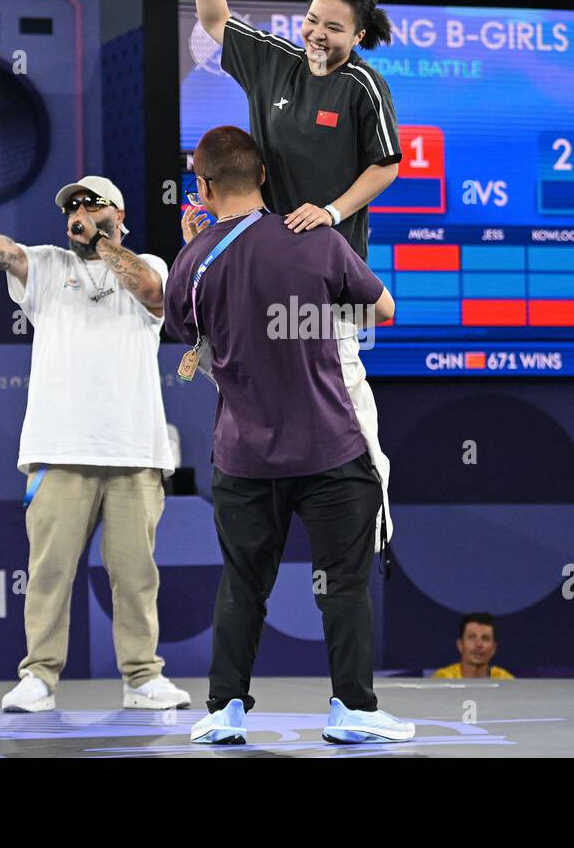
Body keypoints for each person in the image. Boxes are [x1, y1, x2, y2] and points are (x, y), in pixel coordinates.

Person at [166, 126, 410, 744]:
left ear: (203, 186)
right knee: (344, 583)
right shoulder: (317, 240)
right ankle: (352, 710)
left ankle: (224, 711)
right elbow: (383, 310)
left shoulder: (193, 262)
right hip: (331, 446)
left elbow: (184, 329)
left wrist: (200, 253)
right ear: (265, 177)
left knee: (243, 581)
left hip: (244, 457)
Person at [0, 175, 189, 713]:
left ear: (118, 214)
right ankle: (40, 678)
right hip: (59, 448)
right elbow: (9, 255)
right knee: (49, 571)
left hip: (133, 451)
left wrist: (104, 242)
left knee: (135, 573)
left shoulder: (151, 265)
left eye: (90, 204)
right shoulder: (52, 266)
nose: (77, 211)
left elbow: (152, 295)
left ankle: (143, 677)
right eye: (71, 206)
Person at [190, 0, 400, 552]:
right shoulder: (273, 61)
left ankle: (374, 524)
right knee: (248, 381)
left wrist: (331, 213)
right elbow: (213, 20)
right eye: (312, 20)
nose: (317, 34)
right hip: (261, 271)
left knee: (341, 393)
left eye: (334, 27)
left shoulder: (363, 85)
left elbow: (386, 164)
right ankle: (252, 520)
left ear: (357, 36)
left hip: (326, 277)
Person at [431, 613, 516, 679]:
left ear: (494, 648)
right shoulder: (442, 679)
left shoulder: (505, 681)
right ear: (460, 645)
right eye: (472, 637)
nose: (478, 644)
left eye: (485, 638)